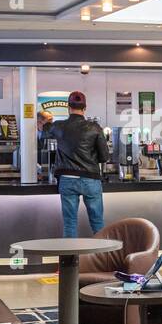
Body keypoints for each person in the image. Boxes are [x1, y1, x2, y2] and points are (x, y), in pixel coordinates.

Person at [52, 91, 110, 238]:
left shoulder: (58, 126)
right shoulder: (95, 127)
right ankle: (102, 259)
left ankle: (70, 261)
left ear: (68, 107)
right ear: (85, 108)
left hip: (67, 179)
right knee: (97, 222)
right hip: (90, 179)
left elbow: (42, 133)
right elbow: (104, 157)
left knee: (70, 223)